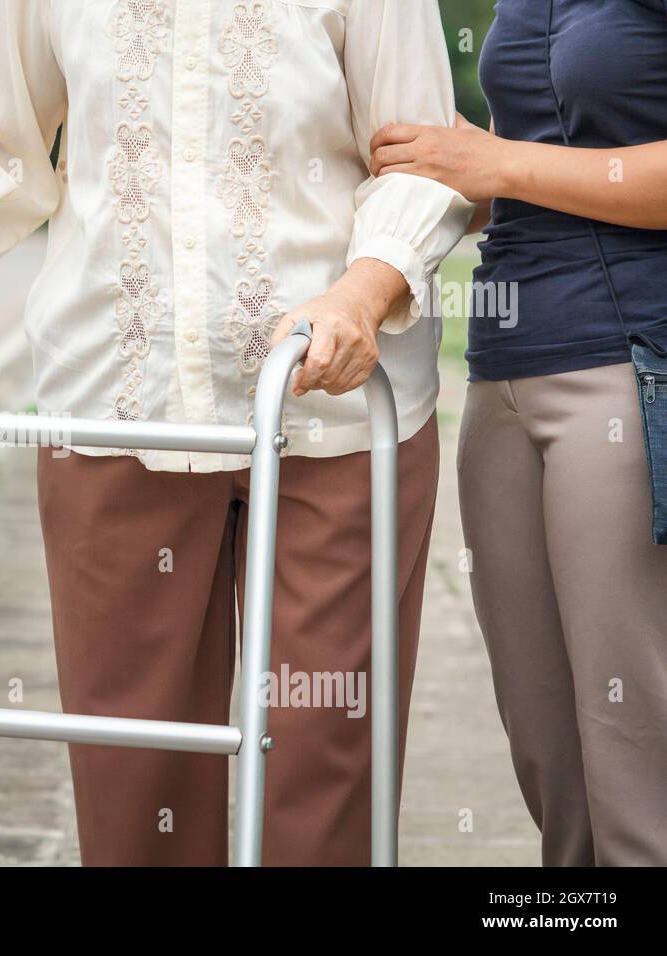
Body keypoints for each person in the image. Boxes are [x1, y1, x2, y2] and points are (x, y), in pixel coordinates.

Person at [0, 0, 470, 865]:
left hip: (333, 417)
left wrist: (361, 294)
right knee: (134, 788)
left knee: (322, 777)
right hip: (115, 404)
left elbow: (423, 156)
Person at [371, 0, 667, 865]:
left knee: (635, 753)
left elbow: (518, 163)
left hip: (626, 362)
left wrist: (498, 160)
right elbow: (514, 177)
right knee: (548, 753)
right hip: (501, 376)